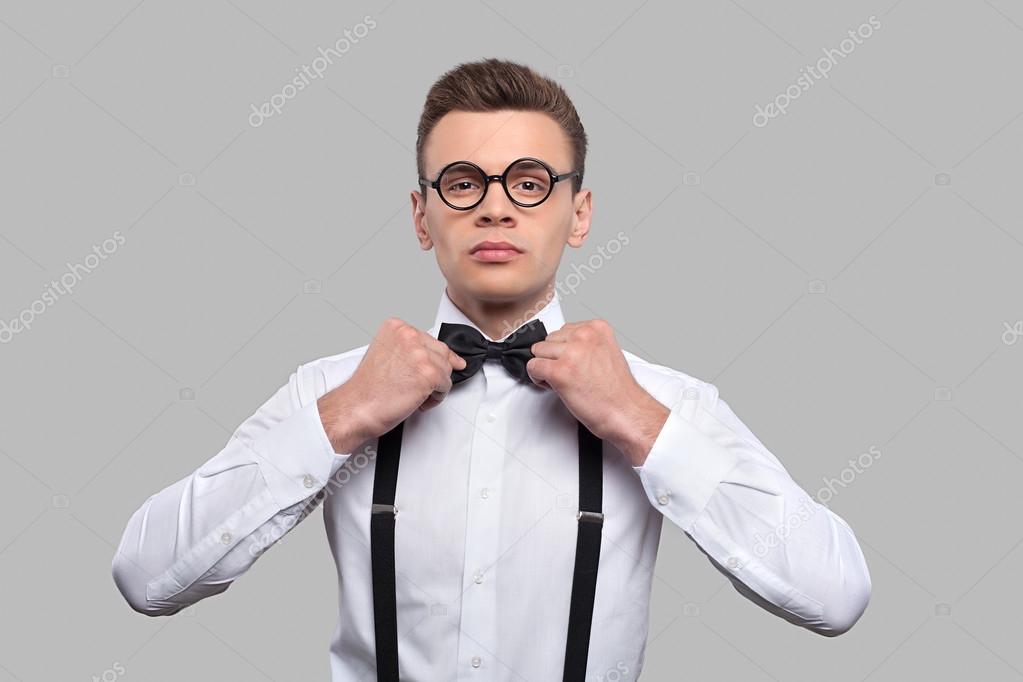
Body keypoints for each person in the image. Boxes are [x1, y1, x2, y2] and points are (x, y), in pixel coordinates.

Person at [112, 57, 871, 681]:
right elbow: (148, 579)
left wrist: (639, 424)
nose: (496, 209)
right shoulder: (329, 391)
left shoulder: (663, 401)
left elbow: (833, 594)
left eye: (531, 182)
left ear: (578, 215)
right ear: (422, 216)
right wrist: (343, 419)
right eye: (464, 182)